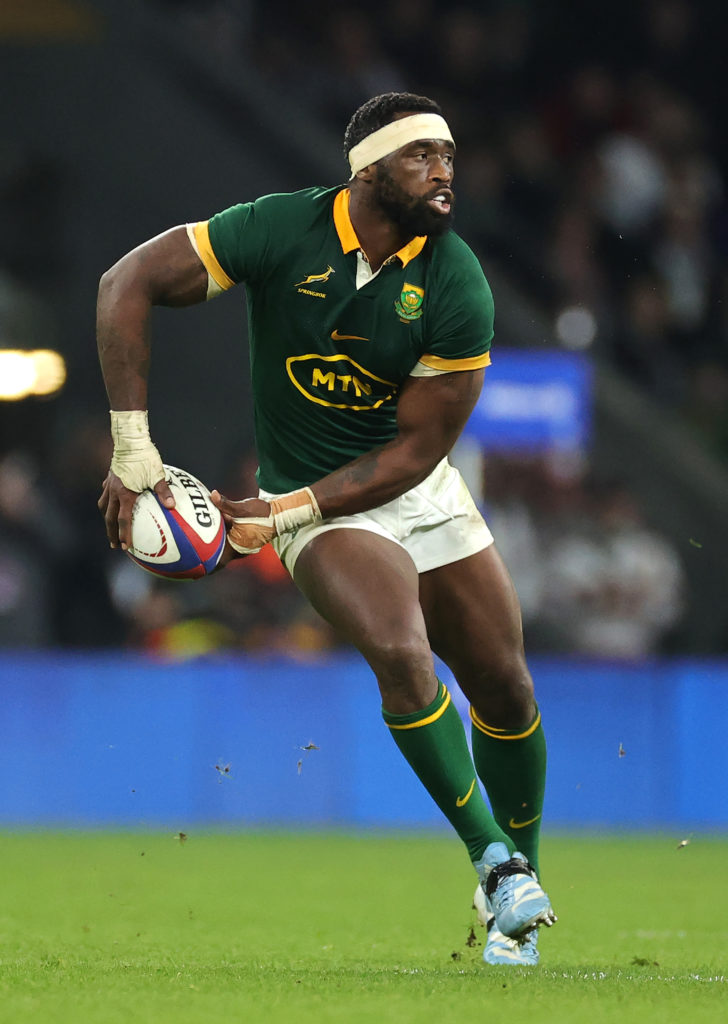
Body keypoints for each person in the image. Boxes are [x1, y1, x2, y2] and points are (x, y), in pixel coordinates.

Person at [97, 92, 556, 966]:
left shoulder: (456, 279)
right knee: (402, 651)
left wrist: (284, 513)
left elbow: (418, 450)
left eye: (450, 156)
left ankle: (518, 891)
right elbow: (127, 282)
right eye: (421, 156)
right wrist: (133, 448)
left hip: (411, 487)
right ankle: (497, 866)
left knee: (506, 688)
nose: (444, 172)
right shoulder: (281, 230)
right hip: (317, 507)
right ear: (368, 170)